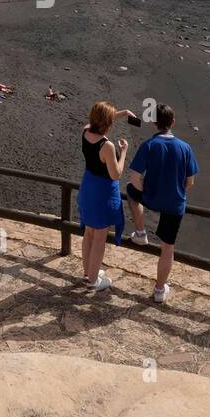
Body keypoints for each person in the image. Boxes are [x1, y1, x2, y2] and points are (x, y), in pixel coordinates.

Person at [125, 104, 199, 303]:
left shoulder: (149, 145)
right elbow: (190, 182)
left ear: (155, 123)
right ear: (172, 123)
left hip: (151, 197)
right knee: (168, 248)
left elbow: (134, 179)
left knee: (130, 192)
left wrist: (147, 192)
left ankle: (140, 233)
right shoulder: (185, 147)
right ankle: (159, 290)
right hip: (174, 202)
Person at [77, 100, 135, 292]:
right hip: (103, 191)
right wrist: (124, 152)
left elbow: (98, 120)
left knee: (89, 233)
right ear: (107, 123)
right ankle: (93, 281)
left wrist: (123, 113)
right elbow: (116, 174)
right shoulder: (107, 146)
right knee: (100, 237)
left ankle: (88, 273)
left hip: (88, 187)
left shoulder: (86, 132)